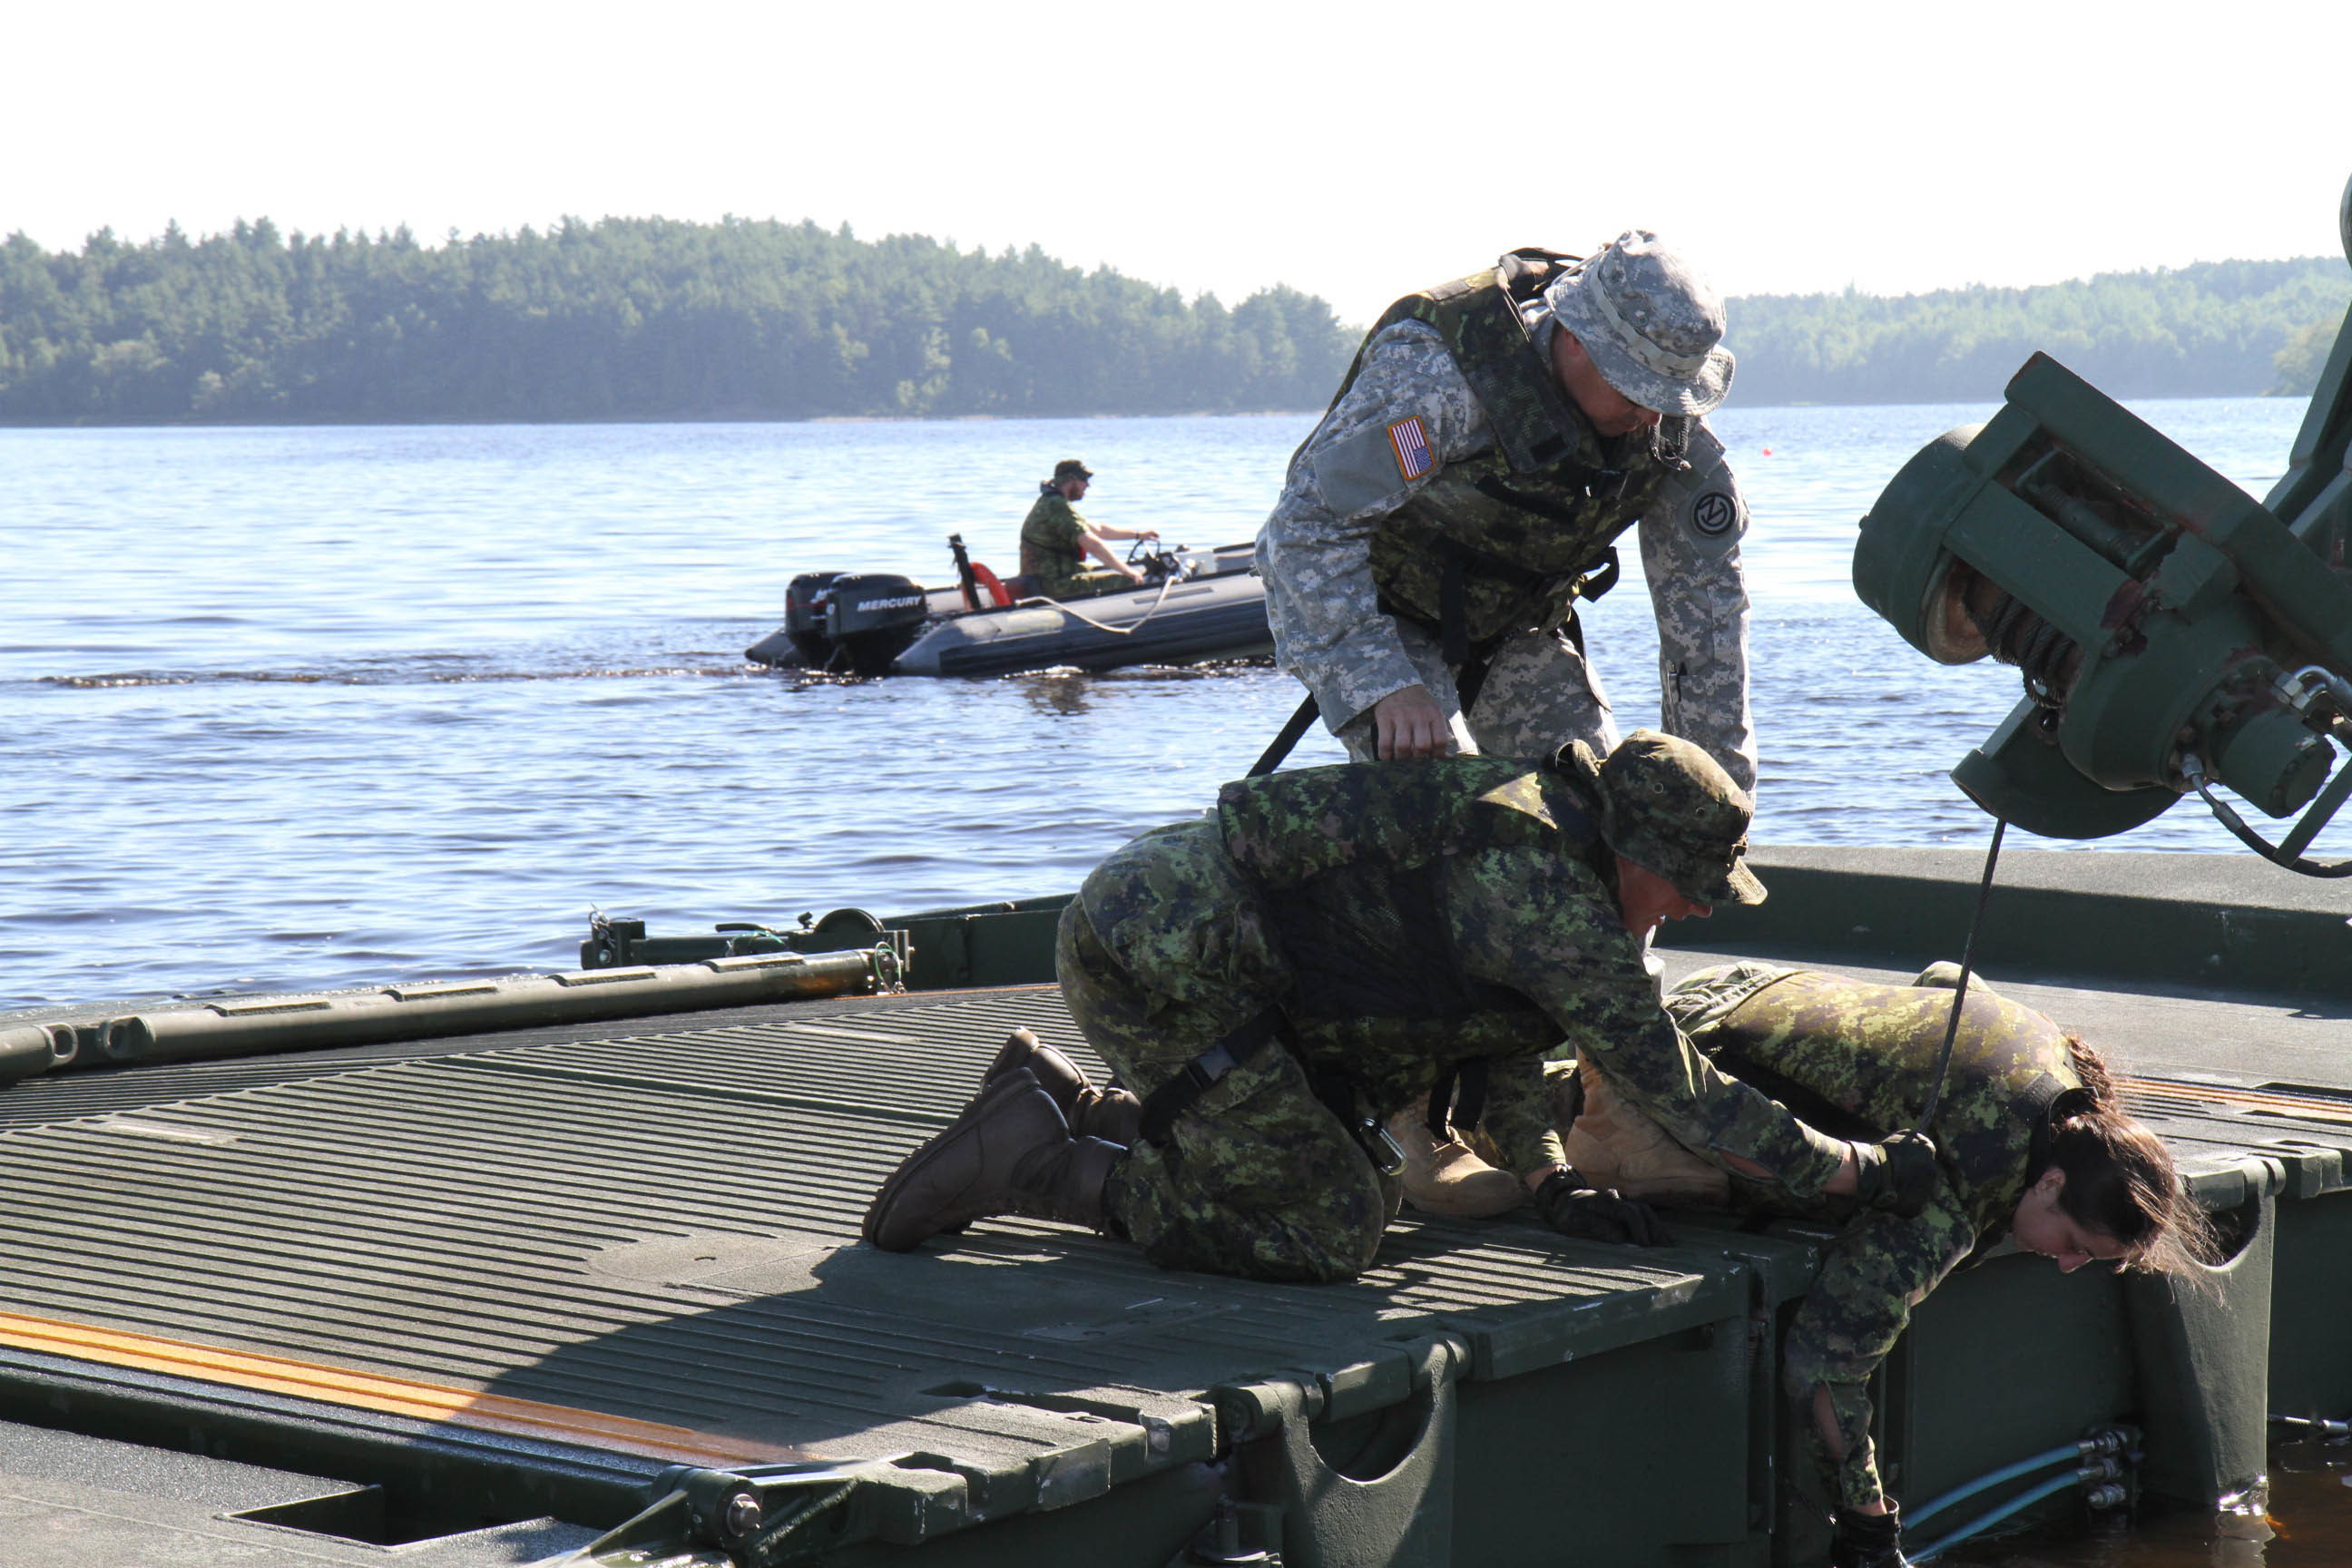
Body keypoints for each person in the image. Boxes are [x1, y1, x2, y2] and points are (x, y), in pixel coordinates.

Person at [861, 731, 1936, 1284]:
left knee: (1320, 1156)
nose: (1702, 905)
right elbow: (1672, 1079)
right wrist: (1849, 1170)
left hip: (1216, 959)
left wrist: (1549, 1175)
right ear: (1634, 852)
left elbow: (1501, 1035)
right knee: (1333, 1224)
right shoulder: (1549, 899)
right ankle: (1041, 1163)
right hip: (1155, 958)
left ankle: (1074, 1107)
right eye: (1693, 880)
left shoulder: (1558, 859)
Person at [1533, 958, 2217, 1568]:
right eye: (2076, 1246)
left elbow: (1946, 977)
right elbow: (1821, 1368)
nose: (2067, 1267)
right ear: (2050, 1183)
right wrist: (1867, 1526)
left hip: (1748, 985)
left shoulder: (2051, 1059)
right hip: (1685, 1068)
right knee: (1589, 1147)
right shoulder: (1946, 1200)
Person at [1255, 230, 1757, 786]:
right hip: (1375, 614)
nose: (1650, 415)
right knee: (1449, 804)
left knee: (1593, 802)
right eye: (1634, 390)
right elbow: (1304, 533)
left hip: (1515, 628)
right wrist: (1382, 683)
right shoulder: (1438, 383)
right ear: (1574, 338)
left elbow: (1708, 624)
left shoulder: (1673, 439)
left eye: (1670, 396)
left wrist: (1711, 801)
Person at [1019, 458, 1161, 601]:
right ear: (1072, 480)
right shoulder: (1056, 505)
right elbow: (1092, 544)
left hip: (1055, 577)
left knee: (1114, 571)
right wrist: (1128, 572)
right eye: (1084, 479)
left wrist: (1138, 535)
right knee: (1129, 580)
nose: (1088, 485)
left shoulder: (1051, 502)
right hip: (1054, 585)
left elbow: (1098, 530)